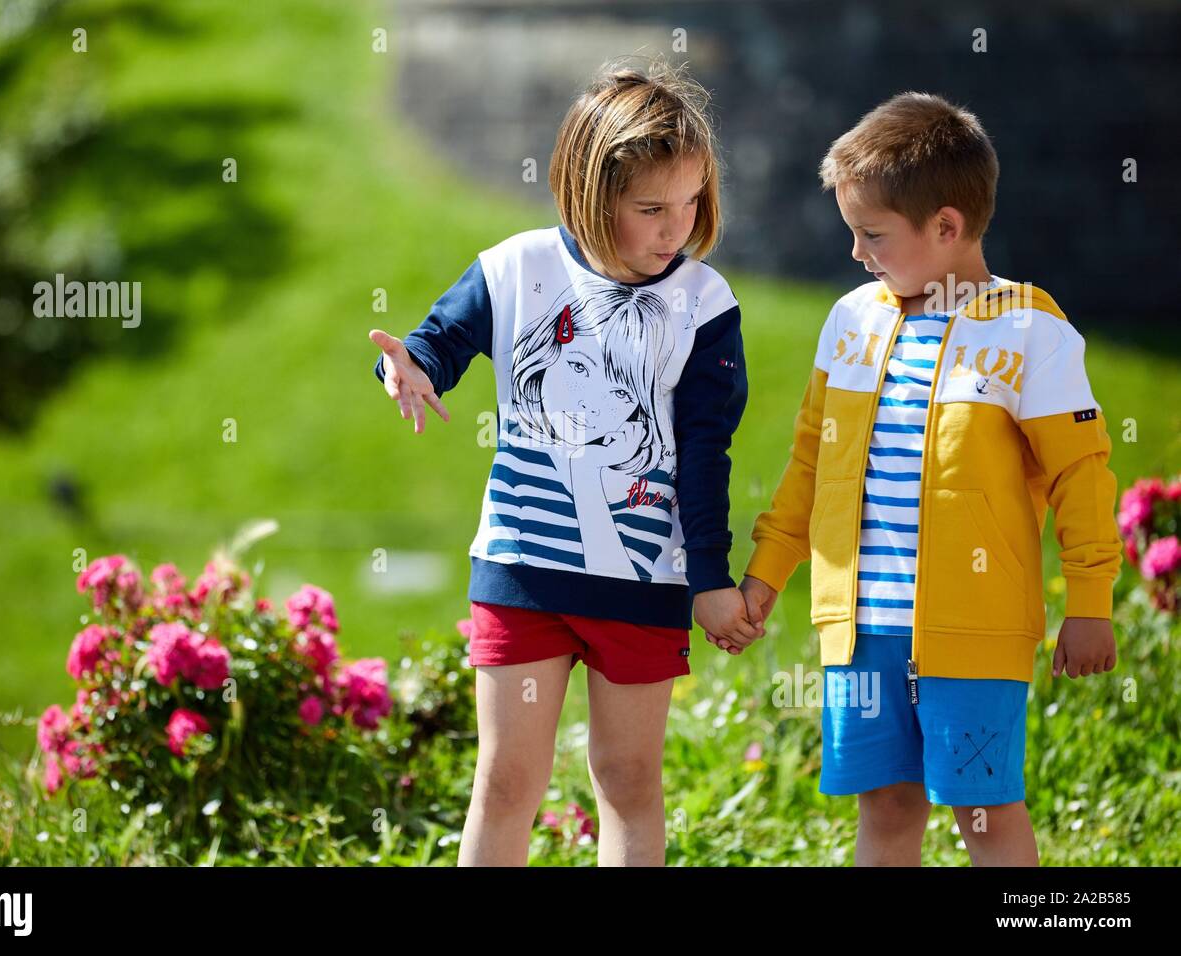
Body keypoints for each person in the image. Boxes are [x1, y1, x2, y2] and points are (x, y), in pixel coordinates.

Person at [369, 57, 753, 865]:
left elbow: (707, 454)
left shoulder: (707, 305)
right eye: (651, 208)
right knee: (507, 782)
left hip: (644, 584)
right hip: (522, 573)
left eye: (689, 203)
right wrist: (404, 366)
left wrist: (712, 579)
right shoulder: (514, 269)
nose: (674, 228)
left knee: (626, 781)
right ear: (588, 191)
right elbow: (435, 343)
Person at [734, 92, 1122, 866]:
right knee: (885, 805)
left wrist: (1090, 604)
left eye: (872, 235)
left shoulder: (1030, 329)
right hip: (860, 633)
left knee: (983, 811)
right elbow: (810, 463)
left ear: (946, 227)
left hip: (975, 635)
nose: (856, 254)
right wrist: (766, 576)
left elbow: (1083, 474)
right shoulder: (850, 321)